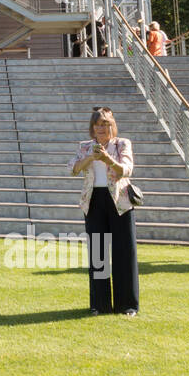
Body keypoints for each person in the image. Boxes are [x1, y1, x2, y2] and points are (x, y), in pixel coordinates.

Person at [68, 107, 140, 315]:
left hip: (120, 201)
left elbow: (126, 169)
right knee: (98, 253)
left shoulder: (122, 144)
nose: (101, 128)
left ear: (112, 125)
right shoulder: (85, 147)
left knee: (124, 252)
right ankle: (99, 305)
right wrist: (91, 157)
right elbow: (72, 169)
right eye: (97, 125)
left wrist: (108, 158)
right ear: (92, 128)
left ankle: (127, 305)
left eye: (105, 124)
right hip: (94, 201)